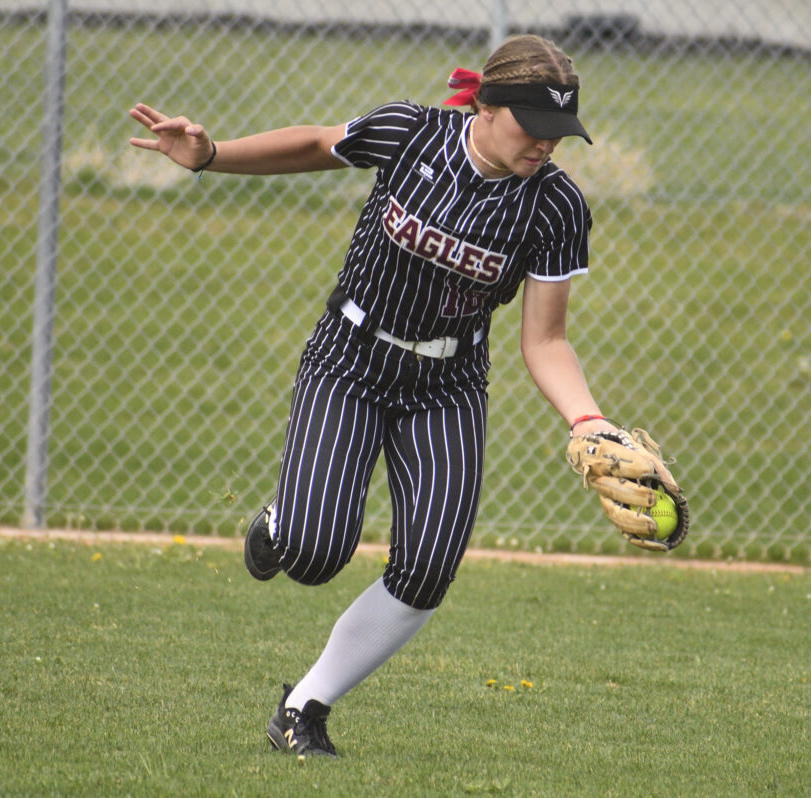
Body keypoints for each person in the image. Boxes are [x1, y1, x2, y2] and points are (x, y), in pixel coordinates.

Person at [129, 33, 621, 758]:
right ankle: (282, 521)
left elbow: (545, 341)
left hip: (447, 385)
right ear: (484, 105)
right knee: (314, 550)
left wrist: (591, 420)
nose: (546, 145)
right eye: (533, 126)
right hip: (350, 359)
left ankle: (304, 708)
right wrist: (210, 154)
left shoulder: (555, 208)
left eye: (559, 131)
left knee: (429, 566)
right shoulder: (412, 132)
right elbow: (317, 144)